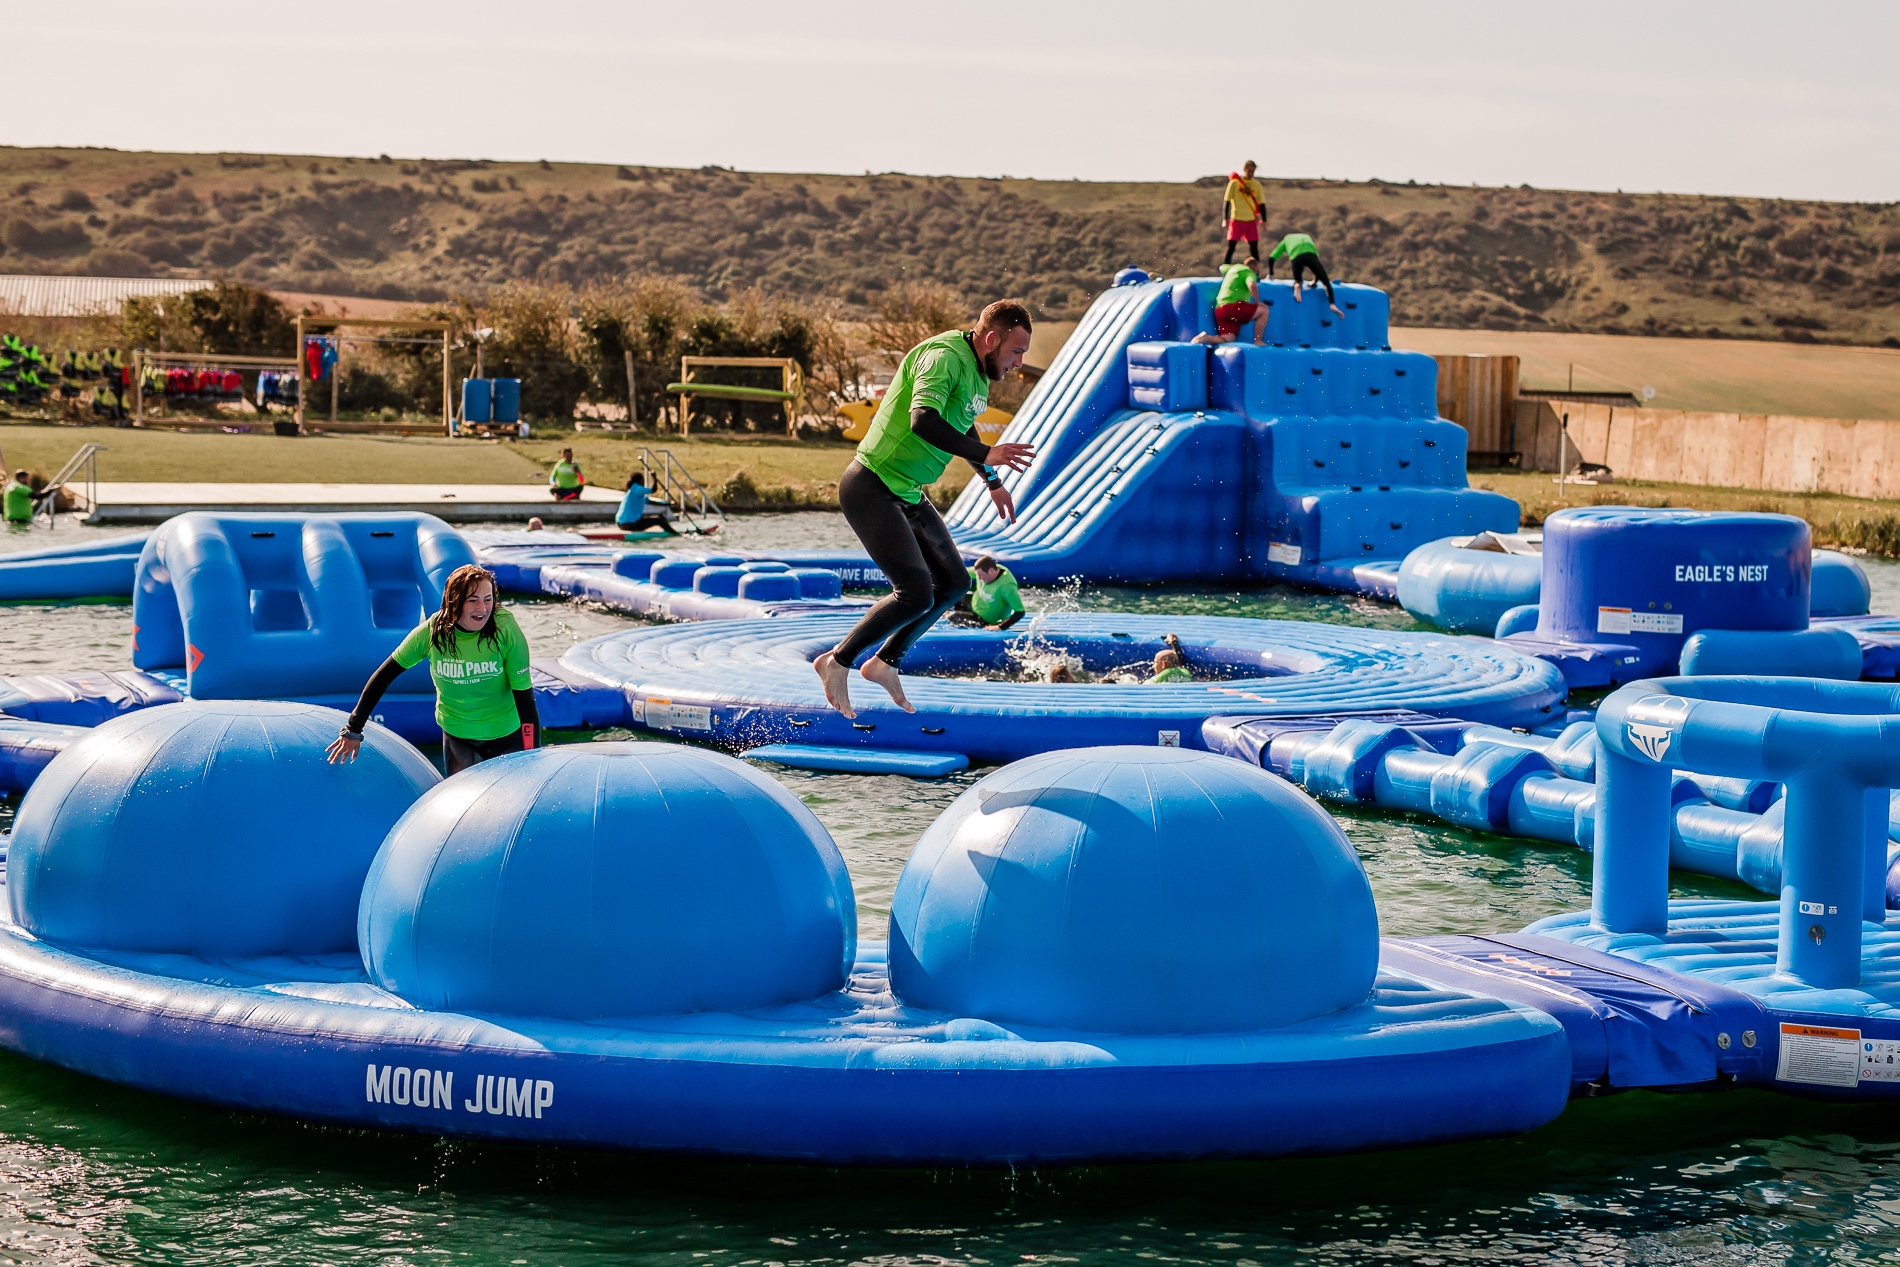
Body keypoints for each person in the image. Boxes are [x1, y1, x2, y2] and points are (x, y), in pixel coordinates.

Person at [813, 299, 1038, 718]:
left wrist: (993, 481)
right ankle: (837, 661)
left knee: (954, 584)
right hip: (872, 485)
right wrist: (988, 454)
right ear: (992, 339)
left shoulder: (978, 371)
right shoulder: (943, 358)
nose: (1018, 363)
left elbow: (961, 424)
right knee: (914, 594)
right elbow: (923, 420)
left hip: (908, 491)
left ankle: (883, 662)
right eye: (1016, 351)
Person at [327, 564, 540, 776]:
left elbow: (525, 699)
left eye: (488, 599)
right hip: (459, 738)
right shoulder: (432, 632)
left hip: (506, 736)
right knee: (466, 806)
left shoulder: (504, 627)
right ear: (454, 602)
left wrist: (532, 756)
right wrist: (353, 729)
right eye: (472, 600)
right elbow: (384, 676)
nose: (482, 609)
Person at [1193, 257, 1269, 347]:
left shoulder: (1233, 268)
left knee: (1228, 339)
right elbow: (1252, 285)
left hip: (1220, 310)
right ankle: (1258, 341)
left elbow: (1222, 267)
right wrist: (1257, 302)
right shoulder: (1248, 271)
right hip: (1233, 308)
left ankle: (1205, 338)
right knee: (1264, 310)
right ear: (1255, 268)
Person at [1267, 232, 1345, 316]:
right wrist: (1314, 282)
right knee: (1326, 282)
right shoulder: (1307, 237)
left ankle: (1297, 285)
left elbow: (1271, 258)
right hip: (1311, 254)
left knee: (1298, 279)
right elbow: (1317, 270)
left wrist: (1271, 274)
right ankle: (1332, 304)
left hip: (1296, 256)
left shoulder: (1286, 240)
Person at [1220, 161, 1268, 265]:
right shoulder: (1234, 183)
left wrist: (1264, 220)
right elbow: (1227, 201)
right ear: (1245, 169)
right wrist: (1225, 218)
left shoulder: (1257, 185)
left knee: (1254, 248)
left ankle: (1256, 273)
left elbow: (1262, 203)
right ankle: (1225, 272)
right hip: (1236, 220)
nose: (1251, 173)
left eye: (1253, 171)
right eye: (1249, 170)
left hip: (1251, 221)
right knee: (1231, 247)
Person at [964, 554, 1025, 630]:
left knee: (952, 618)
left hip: (986, 620)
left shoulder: (1007, 587)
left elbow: (1020, 612)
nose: (979, 578)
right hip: (975, 605)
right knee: (955, 595)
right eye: (977, 575)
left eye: (981, 575)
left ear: (991, 571)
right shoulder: (985, 569)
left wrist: (999, 627)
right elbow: (962, 572)